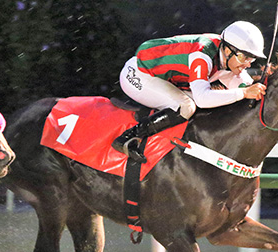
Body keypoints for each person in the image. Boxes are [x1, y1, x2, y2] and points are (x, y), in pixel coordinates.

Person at [113, 20, 268, 162]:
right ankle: (128, 138)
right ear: (228, 51)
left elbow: (246, 86)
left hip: (163, 78)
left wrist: (251, 89)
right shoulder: (201, 55)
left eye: (252, 59)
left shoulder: (226, 55)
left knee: (217, 100)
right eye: (244, 58)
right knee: (187, 106)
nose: (247, 64)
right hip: (140, 75)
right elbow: (202, 98)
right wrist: (244, 93)